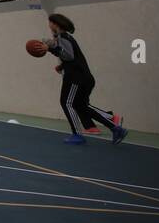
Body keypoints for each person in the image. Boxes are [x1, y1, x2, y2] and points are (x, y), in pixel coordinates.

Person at [44, 13, 125, 144]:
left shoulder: (64, 37)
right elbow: (72, 58)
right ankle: (116, 128)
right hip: (83, 77)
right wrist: (62, 66)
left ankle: (77, 134)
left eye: (49, 22)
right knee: (81, 106)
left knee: (66, 103)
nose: (48, 25)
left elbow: (68, 56)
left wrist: (50, 49)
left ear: (55, 24)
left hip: (76, 78)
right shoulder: (64, 37)